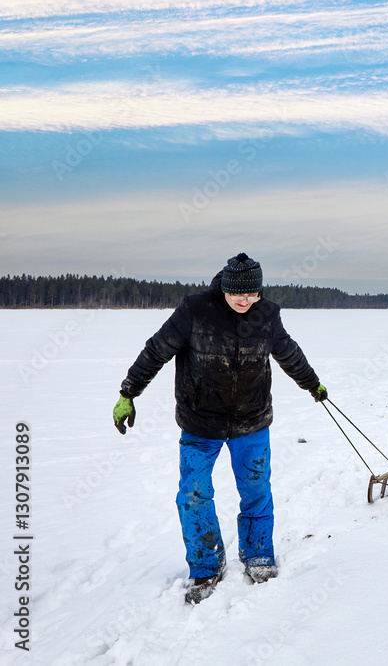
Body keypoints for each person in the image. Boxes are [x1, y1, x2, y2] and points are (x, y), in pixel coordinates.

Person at [111, 253, 327, 604]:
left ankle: (257, 554)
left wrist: (312, 384)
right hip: (201, 422)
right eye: (238, 294)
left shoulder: (267, 315)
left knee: (256, 490)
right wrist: (128, 393)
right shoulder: (194, 311)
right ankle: (206, 564)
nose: (245, 300)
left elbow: (289, 354)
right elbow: (156, 351)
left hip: (252, 421)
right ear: (225, 288)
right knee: (193, 495)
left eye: (252, 294)